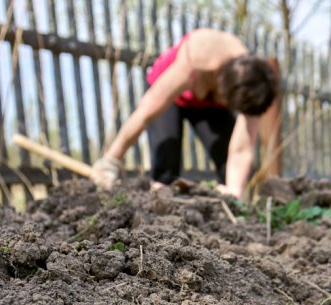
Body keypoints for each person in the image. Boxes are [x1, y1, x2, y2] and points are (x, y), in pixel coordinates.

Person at [90, 28, 279, 198]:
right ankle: (159, 214)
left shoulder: (253, 85)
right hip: (170, 97)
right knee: (167, 163)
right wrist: (111, 161)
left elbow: (242, 150)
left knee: (226, 160)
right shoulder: (198, 59)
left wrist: (234, 194)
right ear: (221, 86)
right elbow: (145, 112)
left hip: (208, 104)